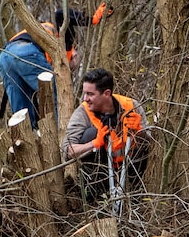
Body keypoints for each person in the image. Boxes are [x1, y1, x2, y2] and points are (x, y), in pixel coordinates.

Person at [0, 4, 107, 127]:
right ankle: (65, 132)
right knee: (57, 93)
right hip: (26, 50)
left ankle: (32, 137)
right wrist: (92, 20)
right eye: (71, 65)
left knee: (22, 113)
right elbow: (60, 14)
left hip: (5, 56)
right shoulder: (65, 42)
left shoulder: (46, 52)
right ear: (74, 55)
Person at [63, 68, 150, 203]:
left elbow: (151, 144)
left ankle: (135, 197)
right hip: (100, 174)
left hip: (129, 170)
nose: (85, 99)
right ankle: (96, 200)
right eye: (84, 93)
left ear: (106, 93)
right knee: (90, 134)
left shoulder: (131, 106)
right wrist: (93, 144)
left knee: (144, 140)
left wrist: (138, 131)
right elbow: (67, 151)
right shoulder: (82, 113)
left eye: (90, 94)